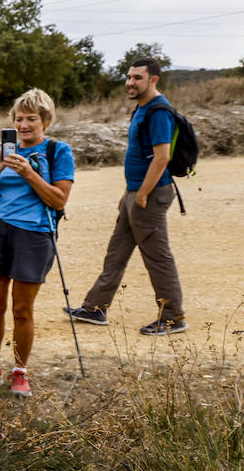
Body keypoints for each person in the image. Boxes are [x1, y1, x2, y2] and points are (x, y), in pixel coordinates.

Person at [0, 89, 74, 397]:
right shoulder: (3, 152)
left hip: (35, 233)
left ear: (46, 120)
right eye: (19, 119)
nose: (24, 125)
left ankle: (20, 372)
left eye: (31, 119)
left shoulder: (58, 151)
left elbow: (59, 199)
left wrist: (30, 174)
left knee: (22, 309)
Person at [65, 57, 187, 335]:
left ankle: (173, 317)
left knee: (157, 257)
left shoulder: (158, 112)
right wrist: (128, 192)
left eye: (137, 78)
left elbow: (162, 157)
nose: (130, 82)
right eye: (129, 77)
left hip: (150, 195)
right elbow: (140, 157)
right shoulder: (141, 109)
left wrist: (142, 194)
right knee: (116, 252)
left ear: (153, 80)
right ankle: (95, 308)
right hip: (136, 193)